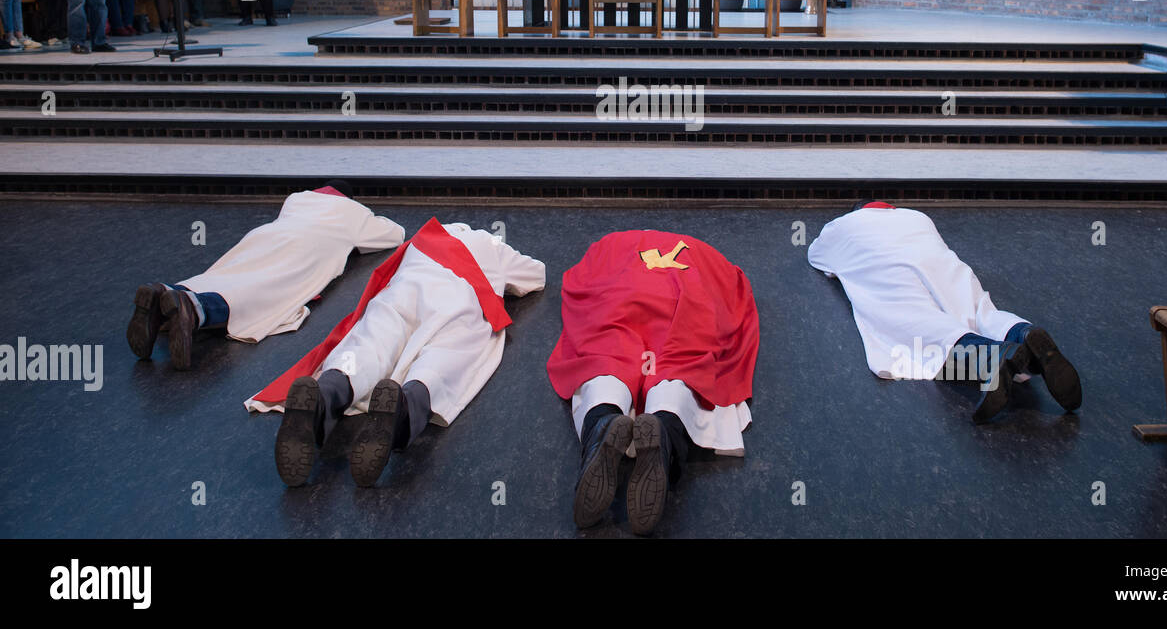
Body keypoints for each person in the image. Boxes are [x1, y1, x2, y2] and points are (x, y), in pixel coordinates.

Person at [248, 217, 545, 488]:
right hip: (455, 300)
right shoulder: (489, 243)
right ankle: (401, 409)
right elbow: (536, 275)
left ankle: (324, 397)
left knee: (368, 348)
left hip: (401, 292)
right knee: (440, 361)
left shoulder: (420, 240)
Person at [547, 231, 760, 534]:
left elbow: (575, 283)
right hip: (685, 297)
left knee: (609, 353)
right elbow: (734, 297)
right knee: (681, 360)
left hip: (623, 294)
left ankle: (601, 421)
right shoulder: (709, 256)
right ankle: (665, 428)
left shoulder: (607, 246)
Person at [807, 202, 1082, 424]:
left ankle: (990, 357)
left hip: (893, 271)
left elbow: (816, 255)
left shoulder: (841, 226)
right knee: (978, 310)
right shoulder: (917, 216)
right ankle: (1024, 334)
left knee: (918, 324)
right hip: (942, 265)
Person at [127, 182, 404, 373]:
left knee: (230, 273)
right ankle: (196, 309)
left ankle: (166, 292)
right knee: (262, 292)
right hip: (306, 249)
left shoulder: (297, 198)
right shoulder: (353, 212)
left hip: (266, 236)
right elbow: (394, 234)